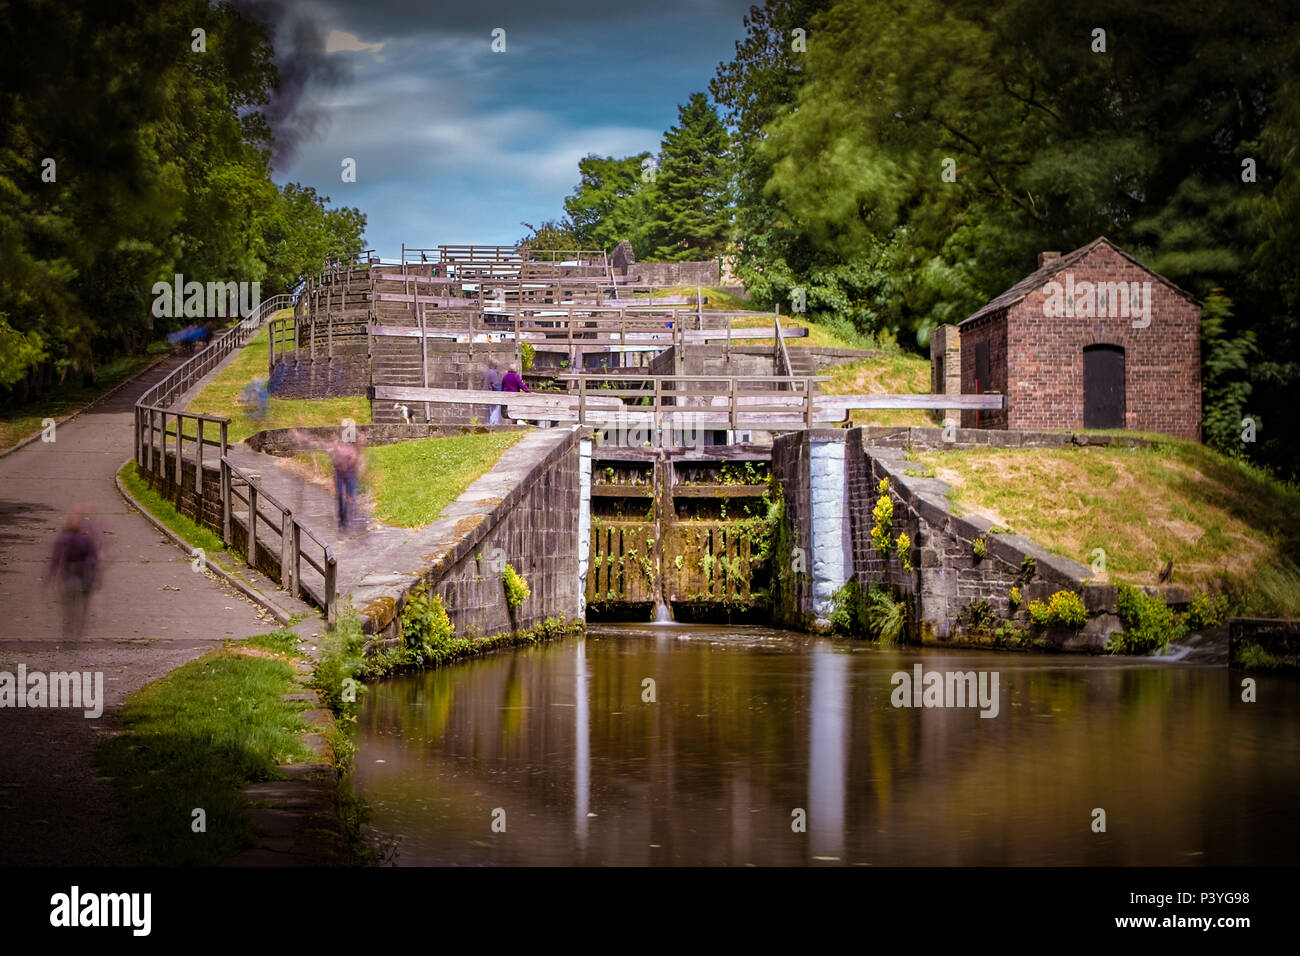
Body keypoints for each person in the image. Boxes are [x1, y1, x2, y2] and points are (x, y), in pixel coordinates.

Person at [46, 506, 100, 639]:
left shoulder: (61, 540)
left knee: (68, 603)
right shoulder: (85, 540)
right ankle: (79, 625)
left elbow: (55, 560)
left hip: (68, 576)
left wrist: (50, 577)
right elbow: (93, 558)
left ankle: (69, 623)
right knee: (82, 601)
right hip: (83, 576)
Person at [482, 359, 503, 425]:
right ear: (496, 366)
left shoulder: (486, 372)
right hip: (492, 394)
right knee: (495, 409)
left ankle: (489, 423)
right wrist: (500, 390)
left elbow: (482, 382)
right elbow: (495, 385)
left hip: (485, 393)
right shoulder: (493, 373)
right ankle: (493, 424)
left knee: (489, 410)